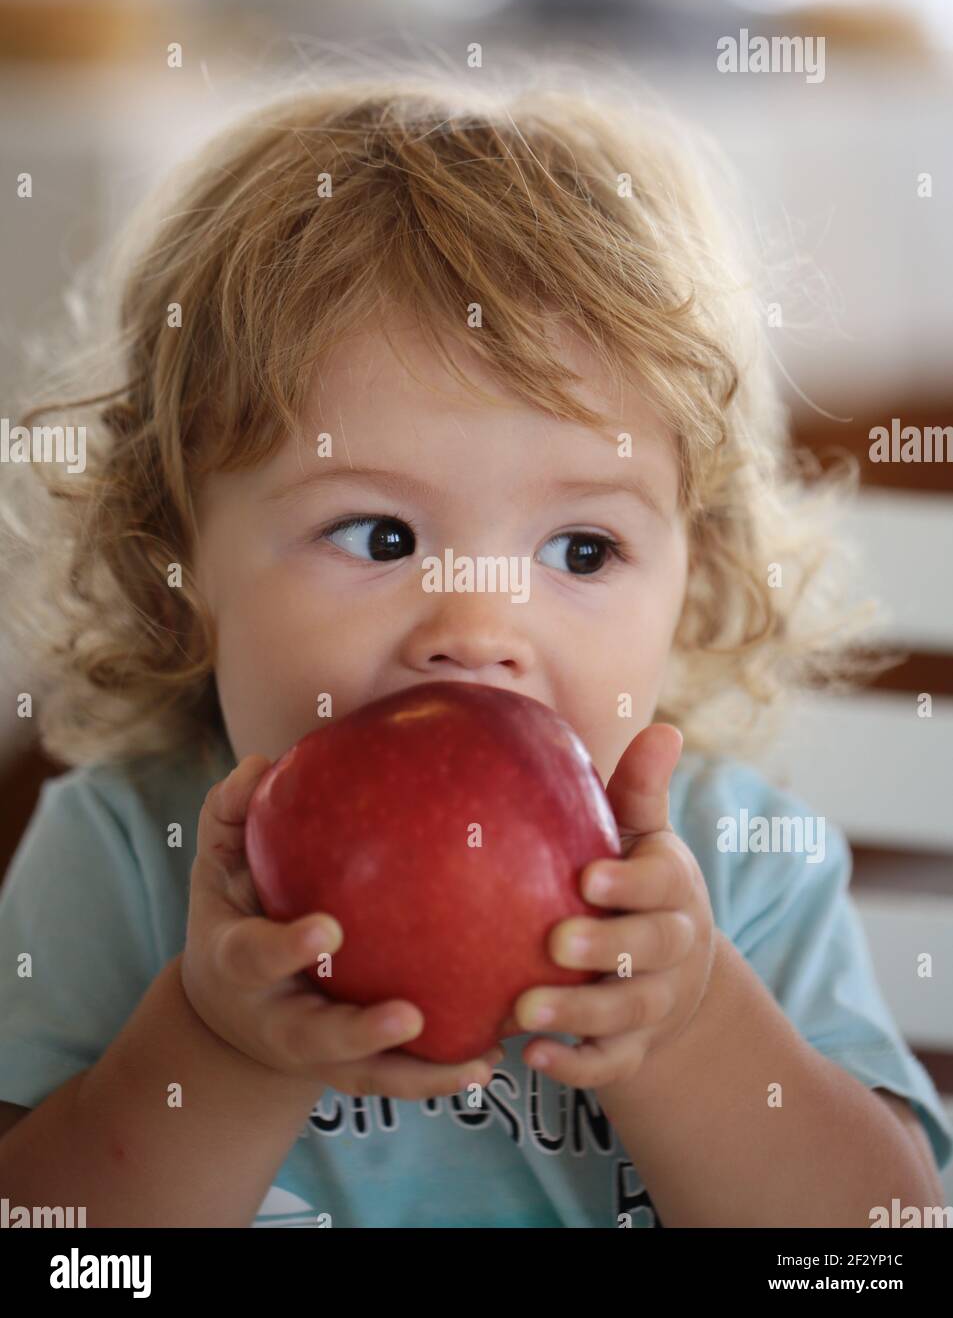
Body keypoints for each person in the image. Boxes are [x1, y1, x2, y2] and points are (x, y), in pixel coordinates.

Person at [0, 64, 949, 1227]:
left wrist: (690, 1029)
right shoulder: (121, 855)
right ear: (179, 563)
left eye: (582, 551)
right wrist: (216, 1047)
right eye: (380, 533)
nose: (476, 629)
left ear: (689, 584)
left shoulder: (736, 871)